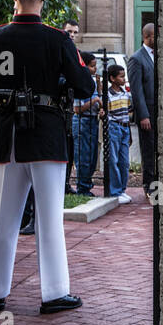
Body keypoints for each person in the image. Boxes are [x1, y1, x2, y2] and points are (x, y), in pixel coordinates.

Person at [0, 0, 94, 314]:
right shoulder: (58, 39)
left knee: (3, 218)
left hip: (9, 136)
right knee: (49, 218)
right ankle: (53, 293)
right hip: (47, 138)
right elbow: (85, 85)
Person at [63, 20, 100, 195]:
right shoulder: (63, 50)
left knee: (78, 153)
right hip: (69, 112)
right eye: (69, 31)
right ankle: (70, 185)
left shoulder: (77, 54)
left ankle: (76, 185)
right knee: (72, 153)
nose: (72, 35)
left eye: (75, 32)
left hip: (78, 114)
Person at [126, 22, 158, 199]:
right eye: (155, 35)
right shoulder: (136, 59)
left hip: (158, 112)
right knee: (148, 151)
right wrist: (144, 115)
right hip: (147, 114)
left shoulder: (157, 55)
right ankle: (149, 188)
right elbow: (136, 91)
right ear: (147, 37)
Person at [101, 63, 133, 204]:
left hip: (125, 128)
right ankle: (115, 191)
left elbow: (129, 110)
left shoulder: (125, 94)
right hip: (114, 127)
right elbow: (104, 113)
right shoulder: (107, 95)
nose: (124, 79)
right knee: (113, 159)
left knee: (124, 161)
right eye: (121, 76)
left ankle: (122, 189)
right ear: (112, 78)